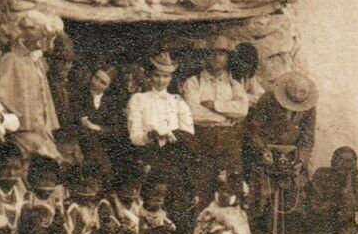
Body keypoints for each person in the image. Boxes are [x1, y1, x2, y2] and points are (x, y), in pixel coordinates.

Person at [243, 69, 318, 234]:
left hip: (293, 159)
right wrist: (263, 150)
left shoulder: (309, 104)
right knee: (263, 207)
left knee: (294, 208)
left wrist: (301, 159)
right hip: (266, 158)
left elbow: (308, 136)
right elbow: (255, 130)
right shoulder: (268, 99)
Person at [181, 37, 250, 208]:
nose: (217, 58)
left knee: (230, 192)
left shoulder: (234, 85)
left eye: (222, 54)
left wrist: (215, 105)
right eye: (212, 53)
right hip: (202, 142)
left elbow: (242, 110)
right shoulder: (193, 82)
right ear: (205, 57)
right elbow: (193, 113)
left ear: (227, 58)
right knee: (202, 191)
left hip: (229, 144)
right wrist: (226, 116)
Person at [126, 51, 195, 222]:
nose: (161, 80)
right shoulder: (138, 99)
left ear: (171, 78)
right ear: (150, 76)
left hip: (173, 158)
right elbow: (135, 136)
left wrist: (172, 135)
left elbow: (188, 132)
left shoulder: (177, 100)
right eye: (157, 75)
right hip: (149, 156)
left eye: (165, 76)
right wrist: (152, 135)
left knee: (176, 204)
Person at [0, 21, 62, 161]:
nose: (46, 42)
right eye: (43, 36)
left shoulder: (36, 61)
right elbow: (3, 95)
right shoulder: (11, 59)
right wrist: (20, 119)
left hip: (41, 130)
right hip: (23, 131)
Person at [305, 147, 358, 234]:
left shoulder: (355, 180)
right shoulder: (322, 174)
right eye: (339, 159)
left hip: (342, 218)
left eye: (348, 161)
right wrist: (335, 204)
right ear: (332, 160)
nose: (343, 164)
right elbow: (317, 206)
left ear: (354, 164)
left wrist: (349, 180)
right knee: (324, 221)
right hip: (320, 217)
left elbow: (351, 207)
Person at [75, 67, 127, 180]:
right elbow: (80, 120)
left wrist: (97, 127)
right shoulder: (79, 95)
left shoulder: (111, 103)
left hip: (105, 145)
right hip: (83, 143)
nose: (96, 83)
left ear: (108, 87)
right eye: (96, 77)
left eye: (103, 82)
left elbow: (115, 129)